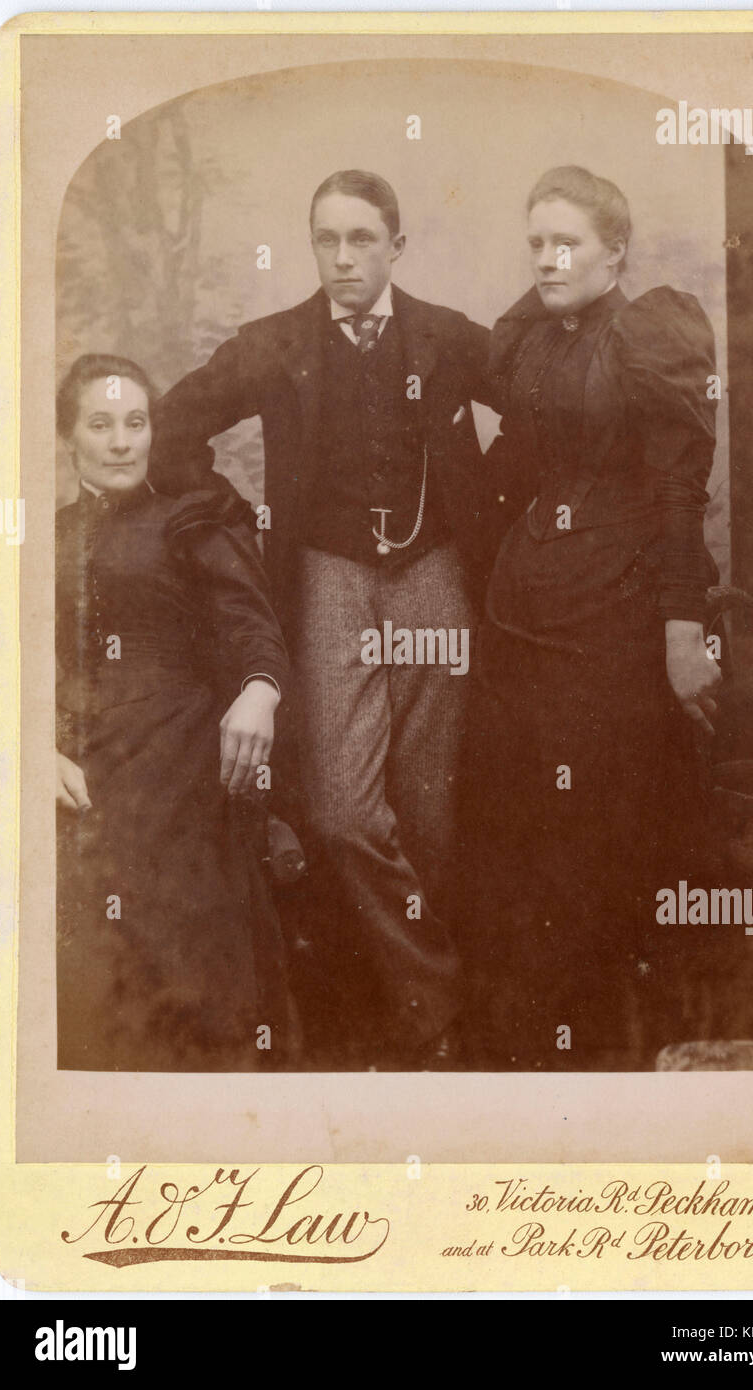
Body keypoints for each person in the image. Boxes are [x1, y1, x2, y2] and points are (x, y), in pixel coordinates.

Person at [148, 171, 495, 1066]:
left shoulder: (449, 339)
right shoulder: (275, 344)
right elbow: (172, 423)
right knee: (344, 814)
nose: (342, 259)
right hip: (330, 580)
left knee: (429, 811)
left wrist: (509, 502)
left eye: (361, 240)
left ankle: (427, 1022)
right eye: (326, 240)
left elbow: (547, 404)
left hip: (435, 580)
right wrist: (227, 518)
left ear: (396, 246)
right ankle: (438, 996)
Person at [462, 166, 725, 1070]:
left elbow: (678, 490)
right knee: (516, 829)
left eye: (565, 242)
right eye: (535, 241)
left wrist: (682, 631)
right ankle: (520, 1048)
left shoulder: (647, 331)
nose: (546, 258)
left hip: (614, 618)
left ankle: (602, 1058)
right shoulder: (532, 336)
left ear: (617, 249)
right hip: (520, 619)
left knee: (592, 841)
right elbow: (516, 465)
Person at [55, 353, 300, 1071]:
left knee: (178, 931)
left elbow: (249, 623)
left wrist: (259, 689)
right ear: (69, 437)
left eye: (136, 422)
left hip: (179, 747)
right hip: (70, 758)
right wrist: (27, 747)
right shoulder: (38, 539)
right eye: (101, 425)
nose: (123, 441)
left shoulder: (186, 520)